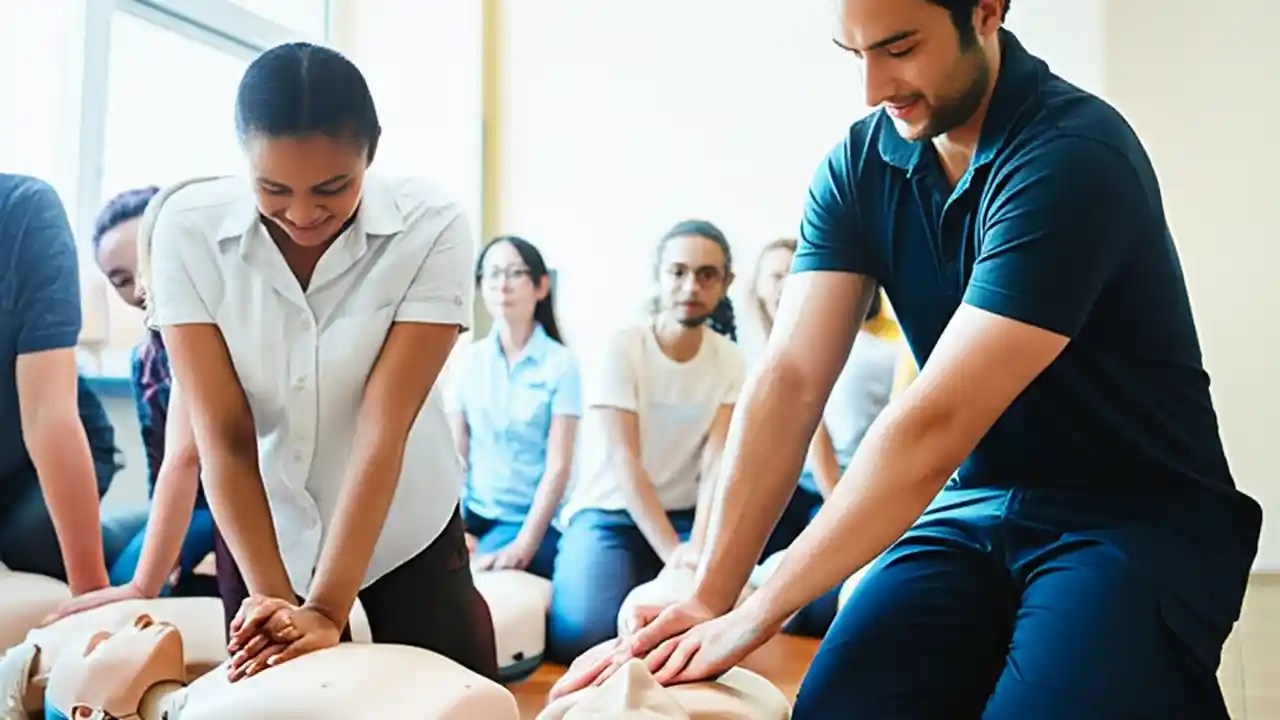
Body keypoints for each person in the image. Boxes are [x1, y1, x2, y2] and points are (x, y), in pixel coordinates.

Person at [560, 2, 1263, 718]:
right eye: (853, 53)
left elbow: (935, 424)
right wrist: (711, 591)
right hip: (976, 505)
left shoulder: (1074, 155)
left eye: (898, 48)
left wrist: (759, 609)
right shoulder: (859, 165)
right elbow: (791, 379)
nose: (872, 88)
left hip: (1133, 516)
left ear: (987, 11)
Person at [146, 42, 497, 682]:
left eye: (333, 187)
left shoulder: (432, 224)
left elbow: (383, 423)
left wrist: (328, 607)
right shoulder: (186, 230)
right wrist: (275, 601)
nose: (302, 214)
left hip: (404, 520)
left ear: (373, 150)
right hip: (260, 523)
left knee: (456, 693)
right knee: (278, 699)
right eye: (272, 188)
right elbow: (222, 435)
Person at [546, 219, 746, 664]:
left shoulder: (731, 360)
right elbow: (624, 459)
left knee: (701, 627)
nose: (691, 285)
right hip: (608, 513)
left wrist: (699, 547)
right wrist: (673, 553)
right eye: (678, 272)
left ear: (725, 283)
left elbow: (716, 462)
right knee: (580, 634)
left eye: (706, 274)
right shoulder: (621, 347)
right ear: (659, 276)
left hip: (685, 517)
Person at [47, 187, 219, 621]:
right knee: (107, 550)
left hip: (238, 505)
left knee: (128, 582)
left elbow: (189, 458)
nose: (140, 287)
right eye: (121, 280)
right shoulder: (144, 360)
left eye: (147, 266)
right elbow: (161, 461)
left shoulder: (222, 331)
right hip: (188, 503)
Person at [746, 239, 905, 638]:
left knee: (814, 603)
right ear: (757, 287)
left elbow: (809, 416)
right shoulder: (753, 353)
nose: (784, 284)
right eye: (775, 275)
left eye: (792, 273)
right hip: (794, 486)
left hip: (847, 485)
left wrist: (839, 500)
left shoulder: (872, 344)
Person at [0, 173, 135, 595]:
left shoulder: (25, 210)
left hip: (40, 452)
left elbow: (49, 416)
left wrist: (91, 593)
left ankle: (151, 533)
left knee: (30, 541)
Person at [446, 236, 580, 579]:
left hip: (531, 519)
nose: (502, 284)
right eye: (492, 274)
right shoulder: (468, 360)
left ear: (541, 286)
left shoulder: (561, 364)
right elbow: (455, 454)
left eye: (515, 272)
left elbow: (558, 467)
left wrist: (524, 544)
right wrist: (453, 529)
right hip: (474, 513)